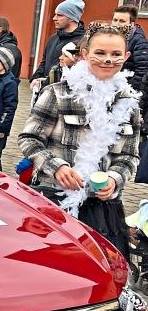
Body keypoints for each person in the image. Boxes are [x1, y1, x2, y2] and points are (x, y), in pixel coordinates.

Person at [19, 22, 141, 257]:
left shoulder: (128, 103)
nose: (108, 60)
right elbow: (29, 139)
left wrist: (115, 180)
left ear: (126, 57)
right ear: (85, 54)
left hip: (102, 209)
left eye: (115, 54)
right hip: (54, 199)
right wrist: (56, 167)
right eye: (100, 53)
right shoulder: (58, 93)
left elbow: (129, 155)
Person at [31, 0, 85, 95]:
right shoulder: (53, 38)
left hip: (66, 94)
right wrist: (35, 78)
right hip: (44, 91)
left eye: (59, 15)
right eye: (55, 14)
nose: (54, 18)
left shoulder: (83, 41)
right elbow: (44, 62)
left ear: (72, 18)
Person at [113, 5, 148, 91]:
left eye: (122, 21)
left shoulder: (139, 41)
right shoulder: (111, 37)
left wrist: (129, 90)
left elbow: (142, 71)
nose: (117, 24)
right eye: (115, 20)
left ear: (131, 24)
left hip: (126, 87)